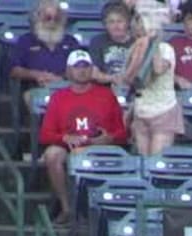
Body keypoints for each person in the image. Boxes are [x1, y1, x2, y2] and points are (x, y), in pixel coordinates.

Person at [40, 51, 128, 225]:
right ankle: (67, 209)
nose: (82, 71)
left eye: (86, 66)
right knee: (52, 155)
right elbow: (45, 134)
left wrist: (109, 138)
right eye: (77, 67)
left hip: (100, 146)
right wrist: (65, 138)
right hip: (70, 148)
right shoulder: (59, 97)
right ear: (68, 71)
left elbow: (123, 133)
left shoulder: (106, 95)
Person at [121, 6, 182, 156]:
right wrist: (139, 51)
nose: (139, 30)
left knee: (155, 160)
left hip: (163, 109)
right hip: (141, 110)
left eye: (142, 25)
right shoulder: (134, 49)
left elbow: (158, 69)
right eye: (137, 26)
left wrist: (152, 44)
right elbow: (127, 78)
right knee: (143, 159)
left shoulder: (165, 48)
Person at [6, 0, 81, 113]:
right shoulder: (25, 41)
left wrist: (60, 79)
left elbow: (80, 67)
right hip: (35, 88)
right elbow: (14, 70)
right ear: (37, 18)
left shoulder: (71, 42)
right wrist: (38, 75)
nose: (52, 22)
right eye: (48, 18)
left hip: (66, 87)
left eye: (57, 19)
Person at [90, 2, 138, 86]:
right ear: (105, 25)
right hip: (105, 89)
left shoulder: (137, 42)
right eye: (111, 22)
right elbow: (94, 73)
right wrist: (112, 78)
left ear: (127, 23)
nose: (116, 26)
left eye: (120, 21)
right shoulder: (97, 41)